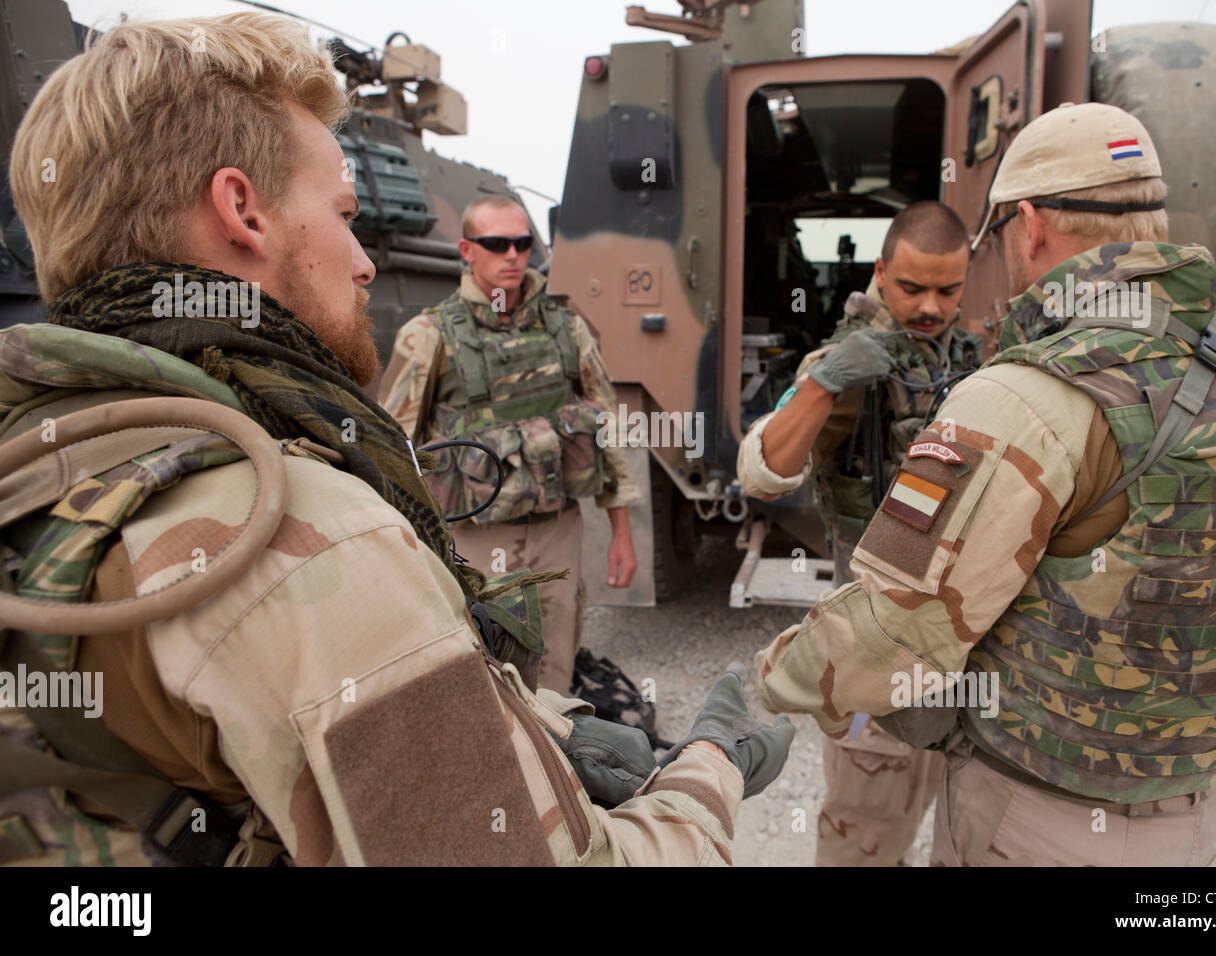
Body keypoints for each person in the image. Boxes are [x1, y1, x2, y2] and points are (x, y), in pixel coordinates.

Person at [0, 12, 791, 867]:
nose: (366, 261)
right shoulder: (301, 535)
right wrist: (710, 767)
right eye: (344, 215)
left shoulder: (46, 458)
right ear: (243, 211)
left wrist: (538, 729)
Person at [753, 102, 1216, 866]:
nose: (935, 307)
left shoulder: (1027, 393)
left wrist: (767, 686)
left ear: (1031, 225)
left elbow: (899, 628)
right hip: (1189, 814)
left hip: (1036, 814)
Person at [737, 201, 980, 866]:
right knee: (864, 840)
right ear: (880, 271)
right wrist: (823, 381)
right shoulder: (847, 362)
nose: (930, 306)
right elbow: (761, 473)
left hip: (969, 649)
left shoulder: (973, 360)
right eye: (911, 288)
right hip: (879, 648)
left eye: (948, 290)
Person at [379, 195, 637, 694]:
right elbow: (394, 452)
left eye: (522, 243)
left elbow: (608, 431)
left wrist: (621, 534)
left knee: (556, 669)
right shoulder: (429, 336)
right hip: (473, 539)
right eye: (496, 244)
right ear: (466, 250)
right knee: (478, 672)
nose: (513, 255)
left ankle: (558, 765)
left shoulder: (568, 328)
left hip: (557, 531)